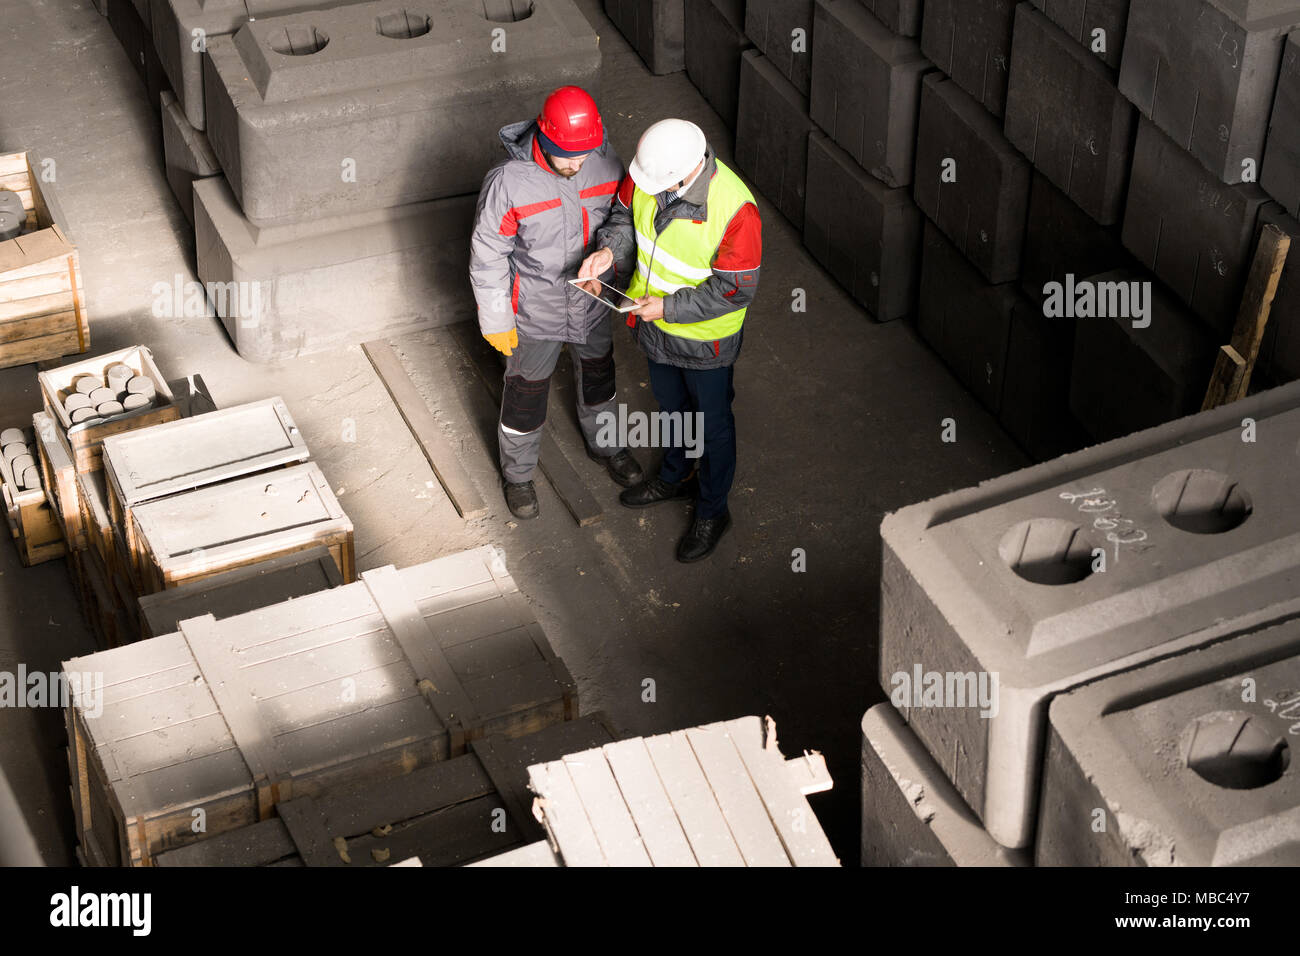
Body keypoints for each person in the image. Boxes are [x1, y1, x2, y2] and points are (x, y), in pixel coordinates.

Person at [580, 118, 762, 562]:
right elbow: (624, 218)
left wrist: (667, 307)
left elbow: (735, 289)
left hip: (705, 342)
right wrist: (608, 252)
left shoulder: (735, 210)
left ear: (689, 170)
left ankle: (712, 509)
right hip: (655, 329)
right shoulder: (649, 173)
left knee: (712, 425)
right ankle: (677, 475)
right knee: (672, 408)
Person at [469, 86, 643, 520]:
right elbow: (488, 254)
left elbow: (622, 216)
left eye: (584, 155)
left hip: (593, 298)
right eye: (568, 156)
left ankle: (608, 445)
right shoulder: (508, 183)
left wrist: (608, 254)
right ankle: (518, 474)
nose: (578, 164)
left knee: (600, 377)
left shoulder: (603, 160)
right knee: (526, 395)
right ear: (543, 138)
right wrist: (496, 319)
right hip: (535, 311)